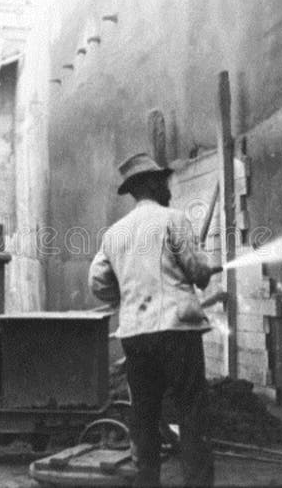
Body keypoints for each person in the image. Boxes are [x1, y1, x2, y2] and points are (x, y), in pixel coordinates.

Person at [88, 152, 221, 487]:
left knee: (144, 414)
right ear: (147, 184)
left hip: (136, 334)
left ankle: (147, 482)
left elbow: (97, 283)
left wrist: (125, 297)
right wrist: (204, 269)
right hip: (176, 330)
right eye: (162, 181)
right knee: (191, 412)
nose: (169, 187)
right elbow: (195, 270)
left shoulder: (114, 234)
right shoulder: (174, 219)